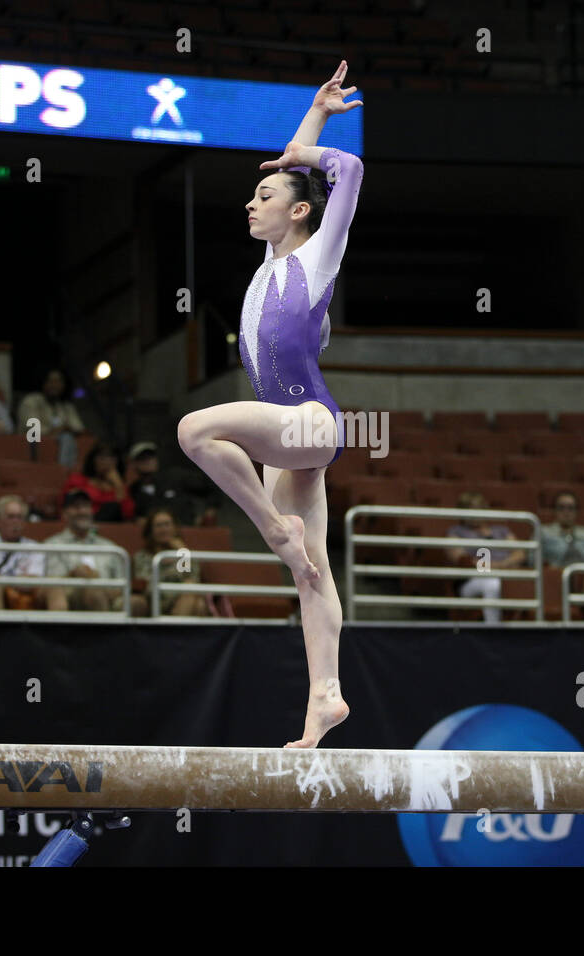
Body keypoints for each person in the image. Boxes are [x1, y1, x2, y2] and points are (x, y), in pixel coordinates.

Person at [176, 60, 362, 747]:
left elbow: (349, 170)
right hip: (290, 441)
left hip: (309, 422)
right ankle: (325, 696)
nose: (250, 204)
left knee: (195, 429)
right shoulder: (270, 266)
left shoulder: (317, 259)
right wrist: (310, 117)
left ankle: (272, 531)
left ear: (301, 210)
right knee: (312, 575)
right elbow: (302, 177)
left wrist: (308, 151)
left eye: (266, 195)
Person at [444, 491, 524, 624]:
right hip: (473, 581)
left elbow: (520, 553)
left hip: (507, 574)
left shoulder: (501, 530)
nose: (475, 512)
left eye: (479, 508)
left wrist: (503, 565)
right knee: (492, 583)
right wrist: (500, 566)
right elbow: (463, 560)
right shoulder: (455, 532)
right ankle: (492, 629)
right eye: (470, 508)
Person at [44, 490, 128, 612]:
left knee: (136, 603)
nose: (82, 511)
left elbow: (121, 585)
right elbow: (51, 582)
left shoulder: (109, 547)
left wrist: (98, 582)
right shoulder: (52, 545)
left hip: (108, 595)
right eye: (76, 507)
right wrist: (74, 574)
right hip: (70, 596)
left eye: (86, 506)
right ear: (65, 513)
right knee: (92, 592)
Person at [131, 507, 209, 617]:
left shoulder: (184, 553)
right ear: (150, 531)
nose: (163, 529)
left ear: (175, 528)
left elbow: (192, 579)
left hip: (183, 601)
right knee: (194, 600)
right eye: (158, 525)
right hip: (153, 601)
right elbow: (148, 586)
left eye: (167, 524)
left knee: (196, 600)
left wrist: (183, 552)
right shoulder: (142, 556)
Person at [124, 441, 203, 526]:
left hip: (185, 530)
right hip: (155, 535)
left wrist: (208, 511)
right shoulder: (134, 490)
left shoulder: (175, 477)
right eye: (142, 458)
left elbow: (207, 487)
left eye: (151, 457)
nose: (147, 461)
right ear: (133, 463)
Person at [18, 368, 86, 468]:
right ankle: (62, 470)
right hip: (32, 447)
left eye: (59, 381)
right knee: (66, 437)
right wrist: (58, 430)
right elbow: (33, 430)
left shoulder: (66, 406)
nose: (55, 385)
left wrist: (64, 429)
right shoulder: (30, 401)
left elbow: (79, 427)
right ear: (44, 383)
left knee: (68, 438)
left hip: (59, 444)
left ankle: (66, 470)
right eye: (51, 381)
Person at [60, 443, 136, 521]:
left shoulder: (121, 487)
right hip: (82, 521)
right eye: (102, 457)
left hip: (110, 527)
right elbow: (65, 505)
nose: (106, 462)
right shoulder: (77, 480)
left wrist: (118, 485)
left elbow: (128, 514)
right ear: (93, 460)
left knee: (112, 507)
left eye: (111, 458)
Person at [539, 490, 584, 566]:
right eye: (561, 508)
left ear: (576, 511)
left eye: (570, 508)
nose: (566, 512)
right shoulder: (543, 532)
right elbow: (533, 560)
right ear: (554, 510)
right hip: (554, 575)